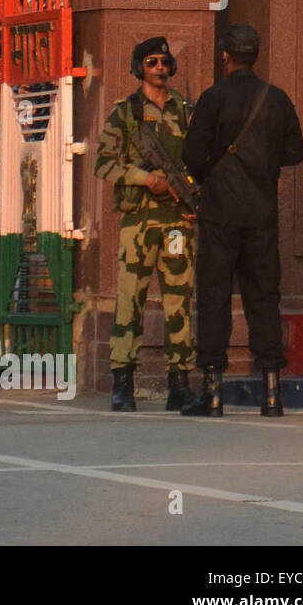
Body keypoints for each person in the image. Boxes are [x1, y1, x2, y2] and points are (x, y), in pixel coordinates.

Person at [181, 24, 303, 418]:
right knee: (264, 298)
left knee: (214, 297)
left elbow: (192, 156)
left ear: (225, 55)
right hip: (262, 214)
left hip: (219, 213)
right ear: (256, 55)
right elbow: (296, 152)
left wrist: (213, 173)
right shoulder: (278, 99)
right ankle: (272, 392)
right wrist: (263, 164)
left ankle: (213, 392)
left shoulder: (213, 99)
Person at [92, 37, 197, 412]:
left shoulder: (186, 110)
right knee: (129, 300)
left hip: (176, 221)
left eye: (165, 62)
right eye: (151, 62)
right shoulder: (125, 113)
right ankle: (123, 382)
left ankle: (179, 383)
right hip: (137, 220)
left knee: (178, 301)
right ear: (139, 67)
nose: (159, 68)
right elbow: (102, 164)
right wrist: (146, 179)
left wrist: (187, 193)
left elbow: (202, 160)